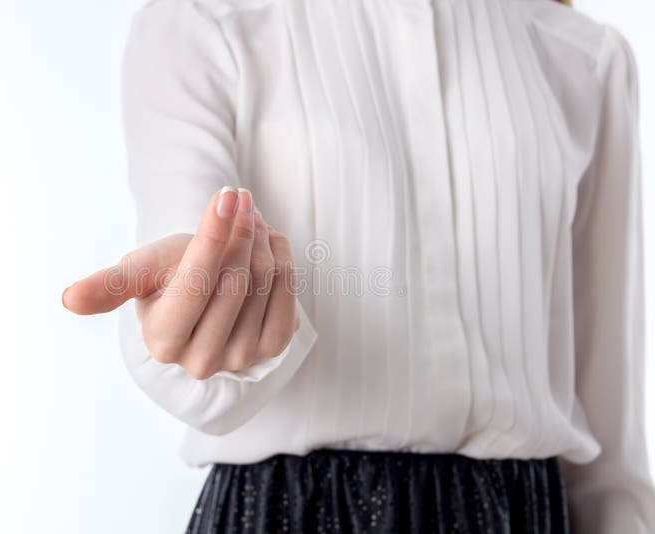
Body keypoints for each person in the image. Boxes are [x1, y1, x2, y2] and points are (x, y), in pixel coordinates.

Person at [62, 0, 655, 531]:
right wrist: (196, 317)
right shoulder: (203, 24)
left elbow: (612, 447)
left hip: (524, 513)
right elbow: (191, 306)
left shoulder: (583, 57)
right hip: (284, 513)